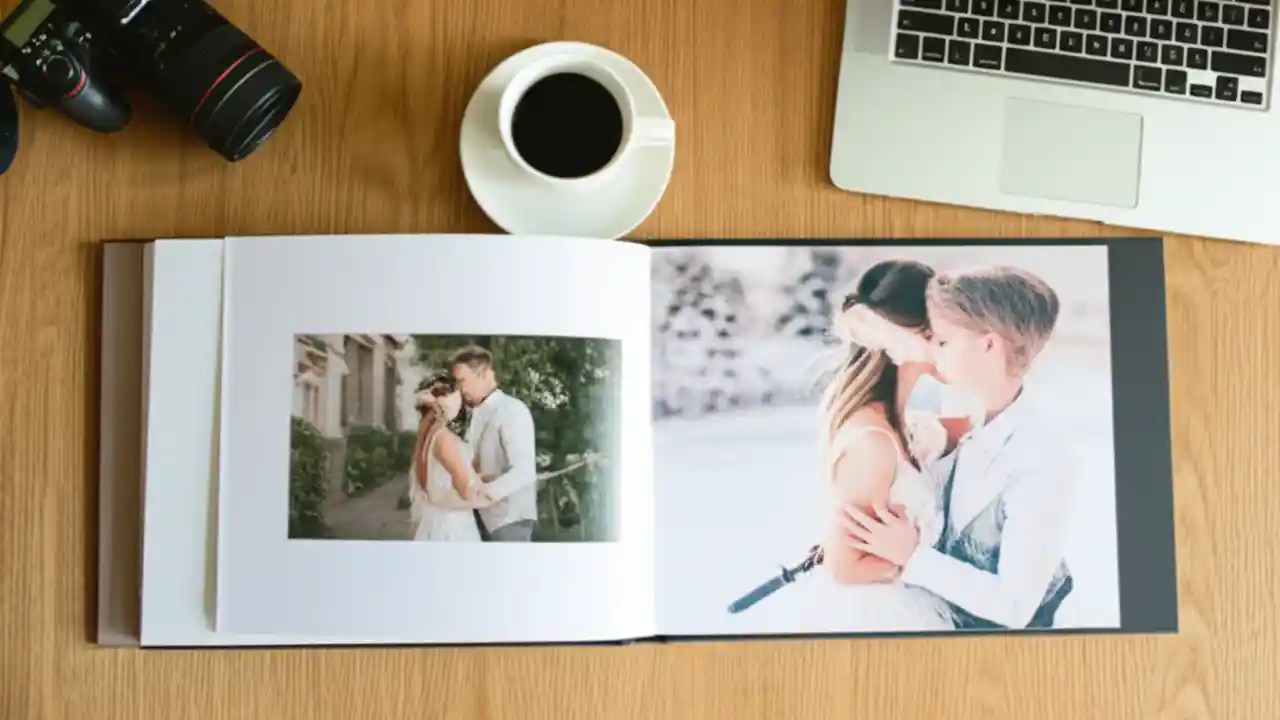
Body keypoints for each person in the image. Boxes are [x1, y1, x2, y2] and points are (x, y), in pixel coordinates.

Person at [843, 265, 1076, 630]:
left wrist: (912, 557)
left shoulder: (1041, 458)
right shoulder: (964, 418)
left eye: (942, 341)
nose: (929, 351)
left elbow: (1015, 607)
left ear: (988, 345)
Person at [803, 259, 957, 632]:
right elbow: (845, 566)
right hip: (885, 619)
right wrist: (916, 557)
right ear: (913, 336)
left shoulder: (904, 428)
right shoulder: (872, 442)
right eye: (946, 330)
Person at [448, 345, 538, 542]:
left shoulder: (512, 410)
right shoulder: (476, 413)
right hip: (479, 518)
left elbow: (525, 471)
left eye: (462, 381)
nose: (459, 389)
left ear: (483, 374)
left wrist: (485, 492)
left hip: (510, 520)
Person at [408, 373, 494, 542]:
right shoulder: (444, 438)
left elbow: (438, 482)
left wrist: (478, 477)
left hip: (433, 522)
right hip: (453, 527)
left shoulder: (427, 435)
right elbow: (467, 491)